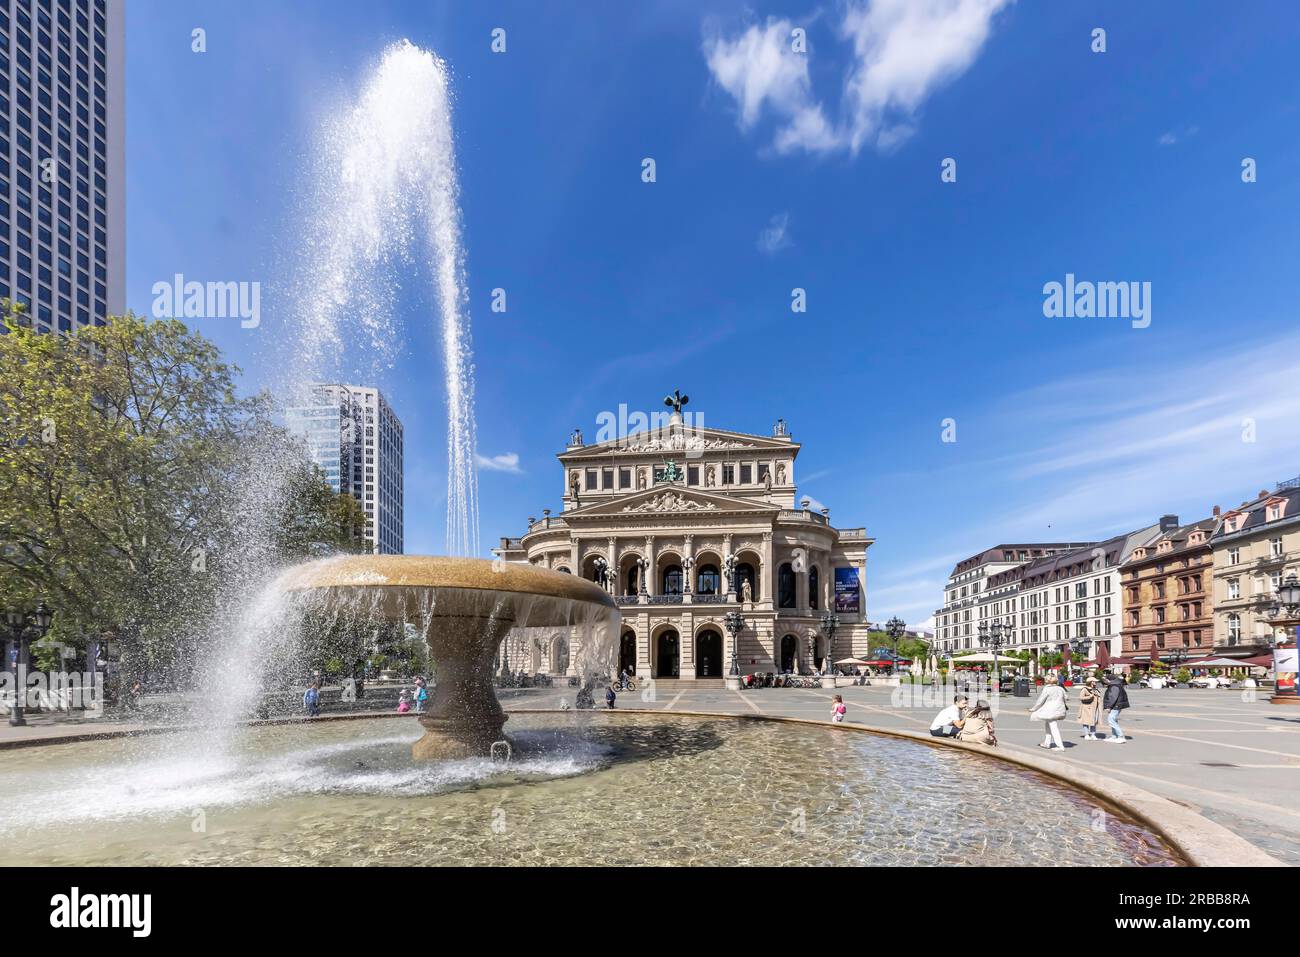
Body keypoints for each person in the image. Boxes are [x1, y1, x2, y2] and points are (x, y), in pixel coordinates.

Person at [1029, 673, 1067, 751]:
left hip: (1050, 710)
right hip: (1059, 709)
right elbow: (1066, 697)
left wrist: (1033, 709)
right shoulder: (1060, 688)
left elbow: (1040, 700)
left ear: (1047, 681)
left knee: (1053, 726)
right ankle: (1047, 742)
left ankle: (1060, 746)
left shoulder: (1047, 689)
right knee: (1048, 725)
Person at [1102, 671, 1130, 743]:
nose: (1105, 681)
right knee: (1113, 720)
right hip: (1117, 705)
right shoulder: (1116, 684)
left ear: (1109, 680)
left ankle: (1121, 736)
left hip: (1115, 705)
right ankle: (1114, 736)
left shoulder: (1114, 686)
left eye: (1106, 680)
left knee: (1111, 720)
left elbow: (1113, 697)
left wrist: (1109, 707)